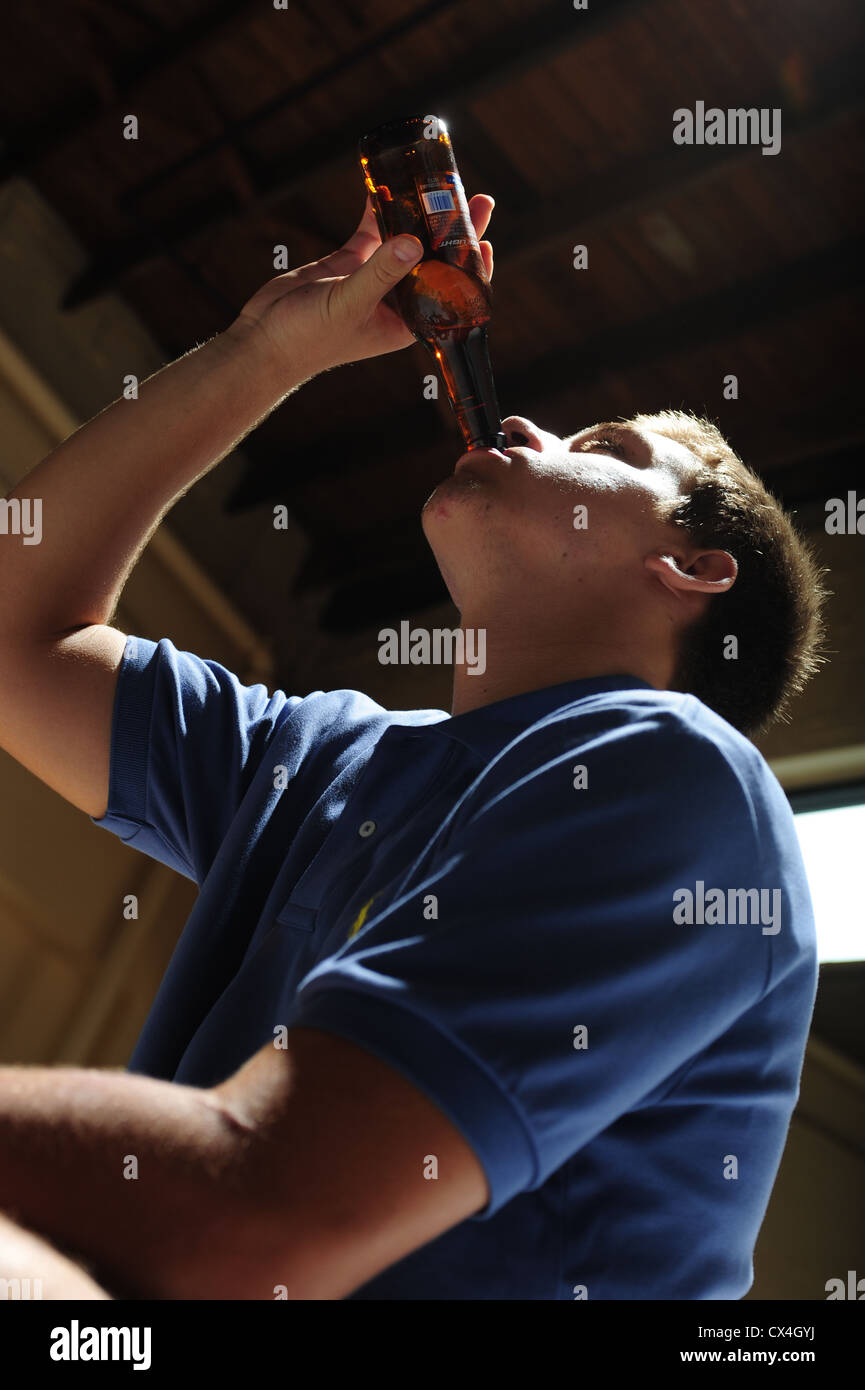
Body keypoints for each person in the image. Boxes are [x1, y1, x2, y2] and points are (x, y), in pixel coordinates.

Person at [0, 192, 827, 1300]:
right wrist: (267, 350)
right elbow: (18, 631)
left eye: (607, 449)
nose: (525, 425)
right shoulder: (328, 752)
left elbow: (256, 1218)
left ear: (693, 569)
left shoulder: (682, 782)